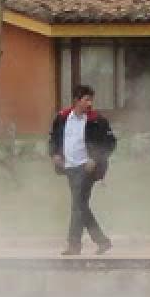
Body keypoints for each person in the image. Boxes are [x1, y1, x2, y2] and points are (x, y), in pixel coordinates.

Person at [50, 84, 116, 256]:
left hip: (87, 168)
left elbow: (110, 143)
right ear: (76, 100)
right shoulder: (62, 118)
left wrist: (95, 159)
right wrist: (55, 154)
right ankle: (102, 241)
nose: (89, 103)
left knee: (77, 206)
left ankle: (74, 245)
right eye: (86, 99)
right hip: (70, 168)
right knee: (81, 206)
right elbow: (54, 138)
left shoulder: (97, 120)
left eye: (91, 99)